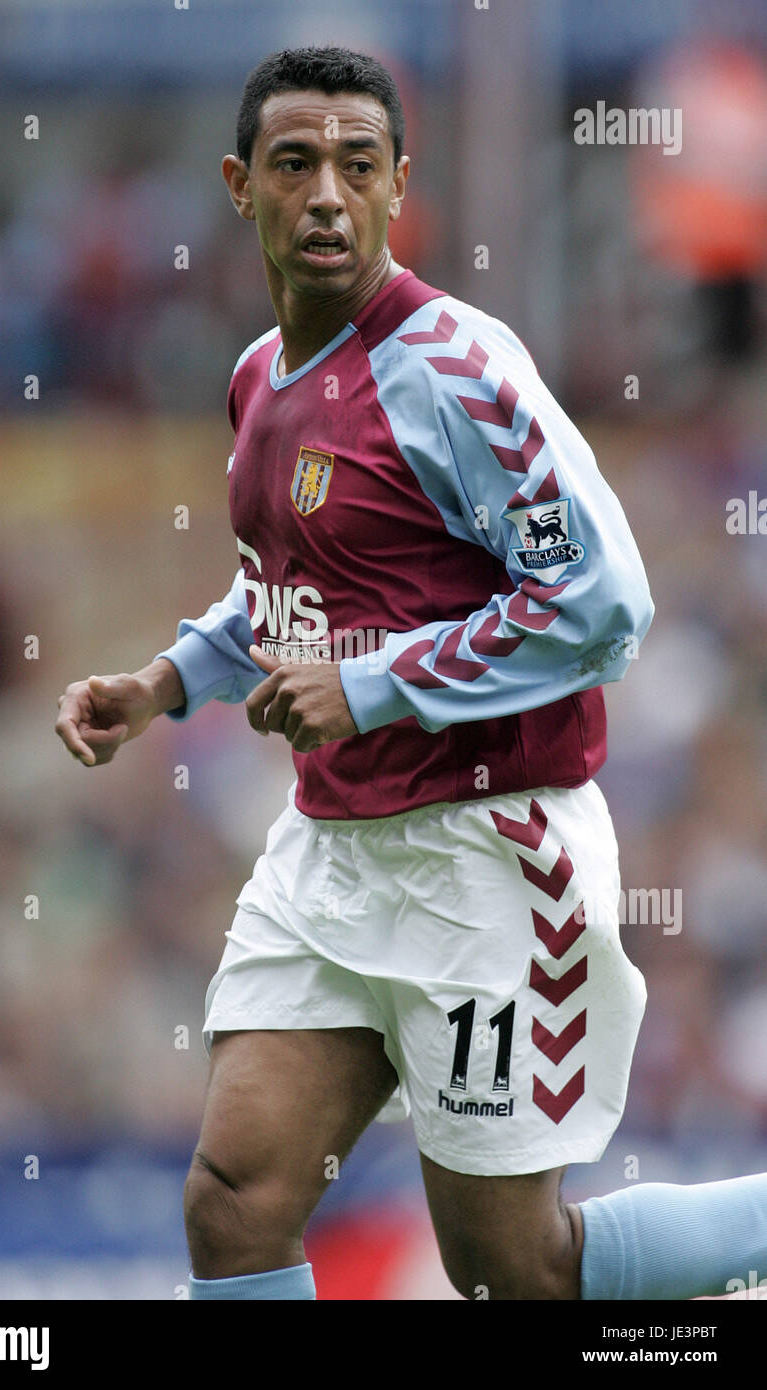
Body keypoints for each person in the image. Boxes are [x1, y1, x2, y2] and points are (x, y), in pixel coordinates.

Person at [55, 46, 767, 1301]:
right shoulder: (254, 378)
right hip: (331, 851)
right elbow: (290, 594)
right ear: (240, 186)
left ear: (396, 188)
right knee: (233, 1202)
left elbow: (604, 603)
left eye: (355, 164)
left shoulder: (452, 369)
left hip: (484, 853)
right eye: (293, 164)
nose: (325, 192)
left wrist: (375, 685)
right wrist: (163, 682)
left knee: (509, 1270)